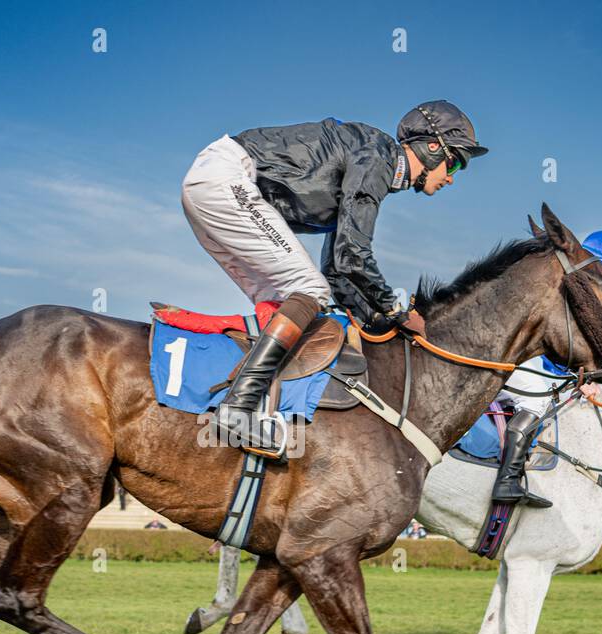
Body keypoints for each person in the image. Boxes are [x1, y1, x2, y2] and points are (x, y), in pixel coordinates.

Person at [183, 100, 486, 457]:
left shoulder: (371, 163)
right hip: (227, 178)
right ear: (432, 147)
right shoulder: (378, 156)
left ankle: (258, 403)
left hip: (214, 185)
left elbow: (338, 271)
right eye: (456, 162)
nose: (451, 177)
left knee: (291, 303)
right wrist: (397, 311)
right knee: (309, 290)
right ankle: (236, 410)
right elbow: (353, 254)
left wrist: (378, 321)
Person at [489, 228, 602, 508]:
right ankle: (507, 481)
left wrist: (579, 378)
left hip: (531, 359)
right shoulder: (572, 292)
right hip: (518, 356)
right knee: (537, 398)